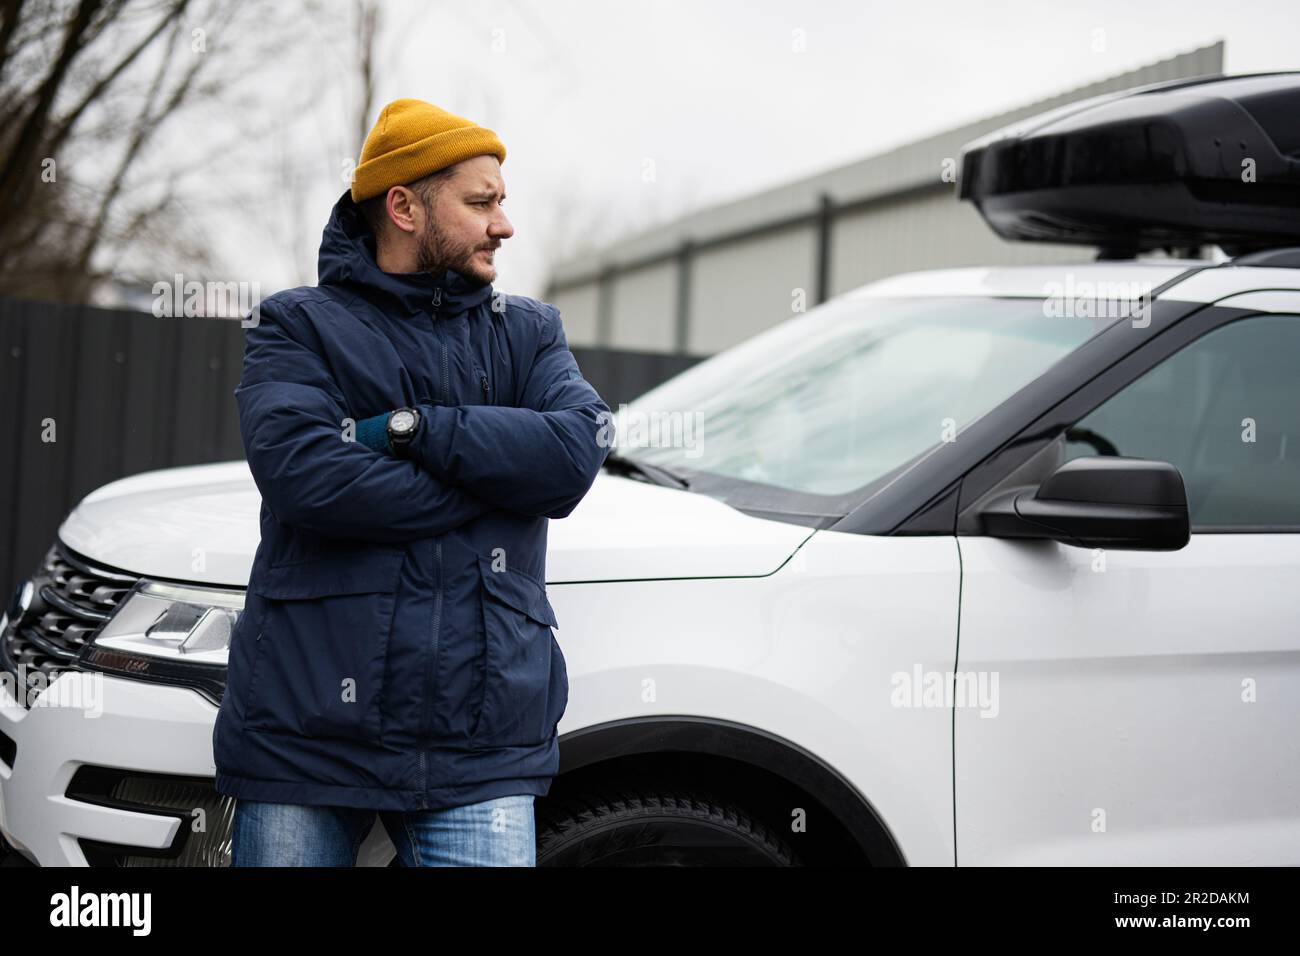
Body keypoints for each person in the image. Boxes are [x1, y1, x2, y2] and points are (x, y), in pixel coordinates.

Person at [212, 98, 611, 866]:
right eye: (481, 202)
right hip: (303, 734)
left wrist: (412, 430)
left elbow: (574, 451)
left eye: (502, 202)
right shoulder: (297, 326)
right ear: (403, 206)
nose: (504, 224)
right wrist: (498, 479)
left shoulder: (528, 332)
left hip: (481, 744)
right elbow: (309, 479)